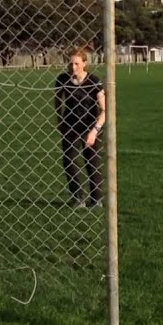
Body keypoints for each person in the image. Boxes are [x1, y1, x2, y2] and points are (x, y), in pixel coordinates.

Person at [53, 47, 106, 207]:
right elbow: (57, 100)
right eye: (70, 64)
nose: (73, 67)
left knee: (92, 161)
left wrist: (94, 131)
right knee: (69, 160)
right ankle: (78, 197)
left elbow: (105, 110)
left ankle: (96, 199)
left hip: (91, 126)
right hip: (70, 125)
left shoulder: (94, 81)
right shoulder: (63, 80)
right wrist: (60, 120)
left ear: (84, 63)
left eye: (76, 63)